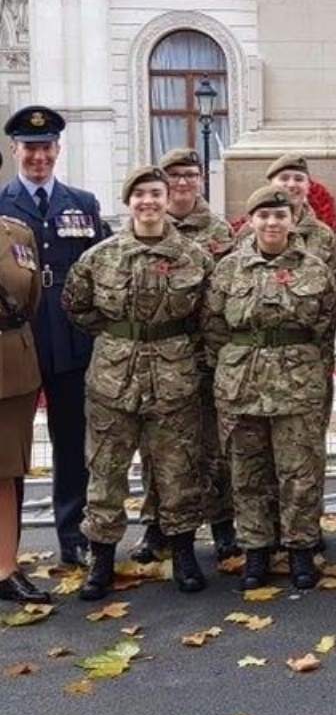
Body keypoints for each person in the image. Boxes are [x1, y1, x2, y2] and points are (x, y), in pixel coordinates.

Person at [62, 166, 213, 599]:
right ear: (129, 202)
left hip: (174, 377)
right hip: (113, 377)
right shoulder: (101, 256)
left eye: (156, 194)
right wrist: (119, 337)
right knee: (106, 471)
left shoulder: (193, 257)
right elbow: (76, 305)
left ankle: (182, 554)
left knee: (178, 470)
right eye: (140, 195)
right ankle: (102, 562)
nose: (148, 202)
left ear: (168, 200)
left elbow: (208, 315)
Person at [203, 186, 336, 590]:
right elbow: (212, 326)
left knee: (300, 472)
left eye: (280, 215)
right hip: (242, 383)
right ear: (250, 222)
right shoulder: (228, 270)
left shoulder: (315, 268)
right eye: (263, 215)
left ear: (292, 220)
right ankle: (256, 552)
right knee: (247, 471)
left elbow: (325, 324)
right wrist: (237, 362)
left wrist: (300, 362)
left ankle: (300, 549)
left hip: (297, 384)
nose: (272, 223)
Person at [0, 105, 111, 566]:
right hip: (17, 343)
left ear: (58, 150)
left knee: (70, 441)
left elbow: (98, 268)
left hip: (69, 338)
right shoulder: (1, 205)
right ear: (14, 150)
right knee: (11, 449)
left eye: (46, 148)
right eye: (30, 148)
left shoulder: (82, 203)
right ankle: (10, 544)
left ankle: (73, 535)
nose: (38, 157)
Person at [132, 146, 237, 564]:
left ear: (200, 180)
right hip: (157, 357)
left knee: (213, 445)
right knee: (158, 448)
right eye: (174, 175)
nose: (182, 182)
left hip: (204, 353)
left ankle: (222, 525)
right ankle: (156, 526)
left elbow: (226, 292)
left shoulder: (219, 230)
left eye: (190, 174)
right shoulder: (147, 225)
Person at [0, 193, 51, 603]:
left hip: (12, 364)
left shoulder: (18, 234)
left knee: (5, 471)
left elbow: (32, 299)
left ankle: (6, 568)